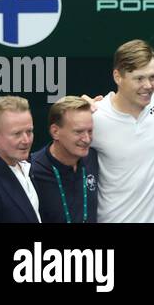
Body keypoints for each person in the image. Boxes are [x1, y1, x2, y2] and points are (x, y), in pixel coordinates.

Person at [92, 40, 154, 223]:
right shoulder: (96, 116)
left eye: (152, 77)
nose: (148, 85)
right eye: (139, 78)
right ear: (117, 76)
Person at [28, 96, 99, 224]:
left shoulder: (94, 157)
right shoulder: (31, 171)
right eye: (78, 132)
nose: (87, 139)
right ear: (55, 132)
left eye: (90, 131)